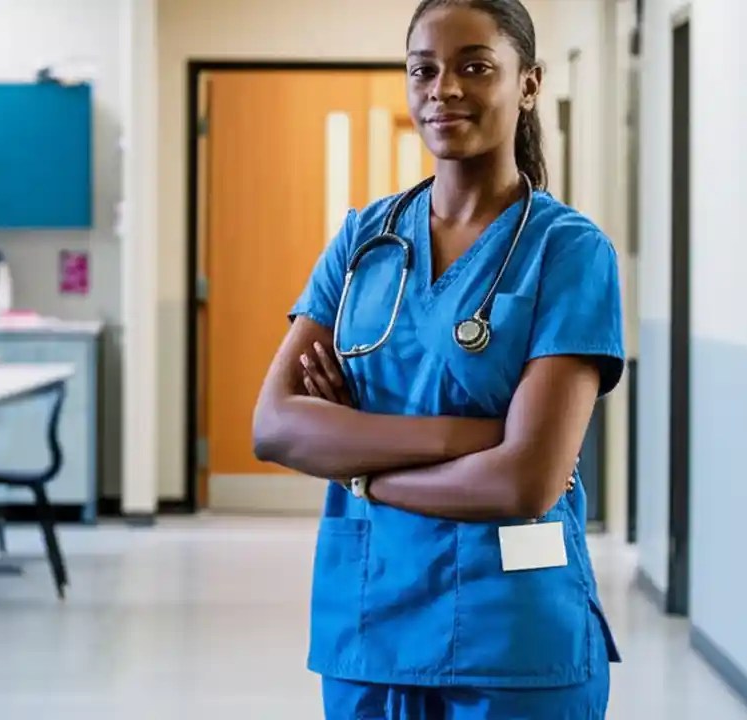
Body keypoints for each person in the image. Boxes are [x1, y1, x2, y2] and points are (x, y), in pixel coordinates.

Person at [251, 0, 625, 717]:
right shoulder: (364, 241)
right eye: (423, 70)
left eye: (475, 67)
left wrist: (361, 469)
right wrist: (467, 437)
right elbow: (275, 427)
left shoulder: (569, 252)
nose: (443, 88)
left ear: (528, 84)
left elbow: (526, 481)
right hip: (371, 623)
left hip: (512, 636)